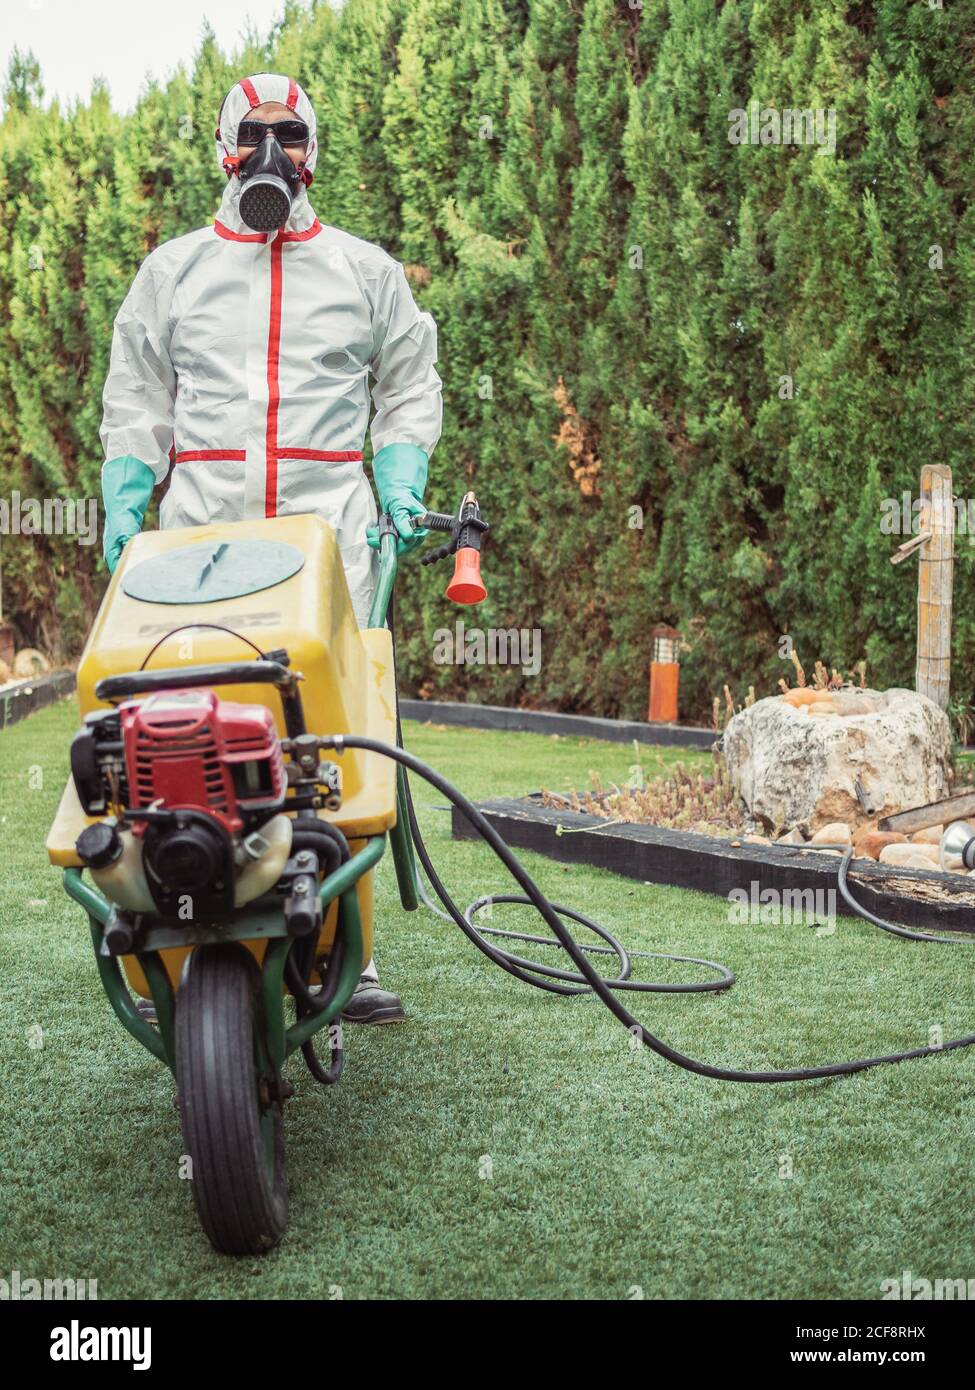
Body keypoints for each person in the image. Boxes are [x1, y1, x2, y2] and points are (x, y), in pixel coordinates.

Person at [99, 72, 443, 1025]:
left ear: (312, 150)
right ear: (222, 146)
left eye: (288, 135)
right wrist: (126, 506)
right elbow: (136, 397)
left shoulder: (364, 271)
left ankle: (351, 954)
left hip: (330, 532)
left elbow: (408, 383)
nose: (269, 156)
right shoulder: (172, 271)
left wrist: (402, 480)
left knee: (337, 736)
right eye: (252, 135)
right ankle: (185, 915)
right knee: (185, 719)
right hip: (199, 533)